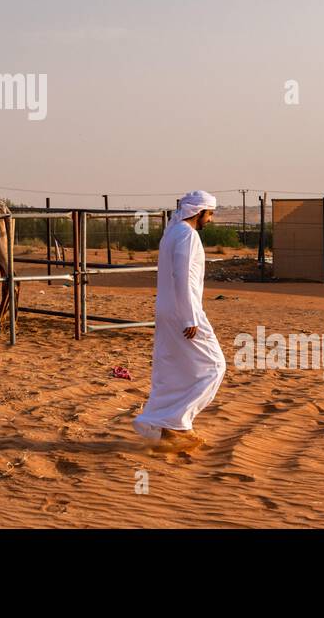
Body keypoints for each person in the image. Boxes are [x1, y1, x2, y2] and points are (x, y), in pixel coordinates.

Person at [133, 190, 226, 452]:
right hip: (184, 313)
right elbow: (183, 277)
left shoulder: (172, 232)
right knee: (214, 366)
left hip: (171, 310)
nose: (211, 219)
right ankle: (177, 425)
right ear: (200, 212)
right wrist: (190, 317)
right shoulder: (186, 235)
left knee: (176, 368)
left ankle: (167, 427)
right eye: (210, 214)